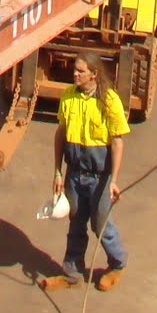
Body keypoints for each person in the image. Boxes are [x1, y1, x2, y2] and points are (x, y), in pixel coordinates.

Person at [40, 50, 129, 292]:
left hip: (100, 178)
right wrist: (58, 172)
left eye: (81, 71)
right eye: (75, 69)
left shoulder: (109, 101)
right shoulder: (68, 96)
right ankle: (72, 273)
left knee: (100, 225)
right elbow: (61, 134)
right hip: (74, 174)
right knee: (76, 223)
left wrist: (114, 181)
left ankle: (118, 264)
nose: (75, 74)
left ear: (94, 74)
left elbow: (118, 142)